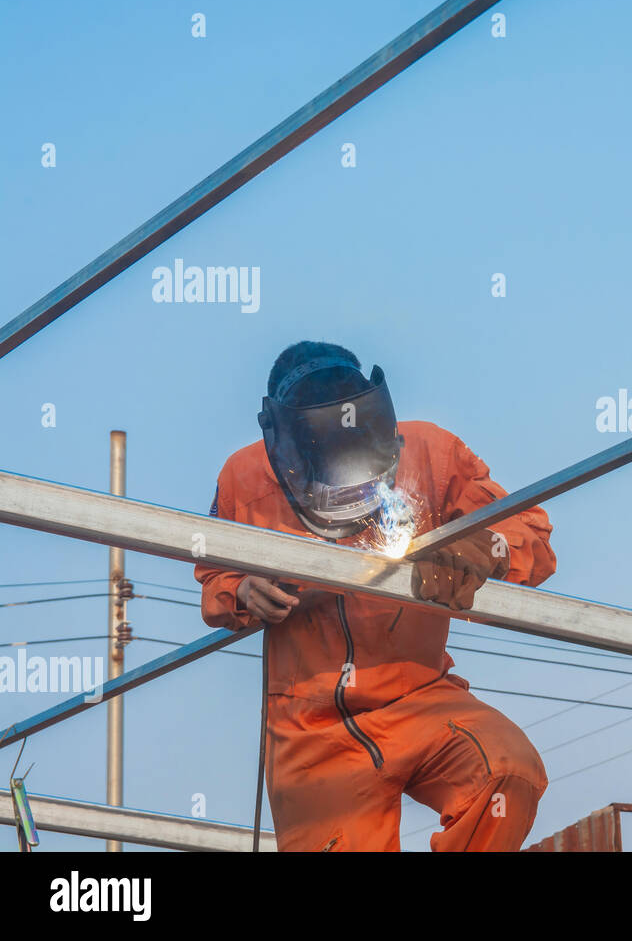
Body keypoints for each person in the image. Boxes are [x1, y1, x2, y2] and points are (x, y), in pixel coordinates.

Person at [195, 341, 556, 851]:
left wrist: (482, 547)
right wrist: (241, 590)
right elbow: (213, 578)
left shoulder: (433, 452)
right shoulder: (244, 477)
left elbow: (531, 534)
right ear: (287, 447)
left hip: (421, 696)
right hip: (309, 728)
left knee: (507, 770)